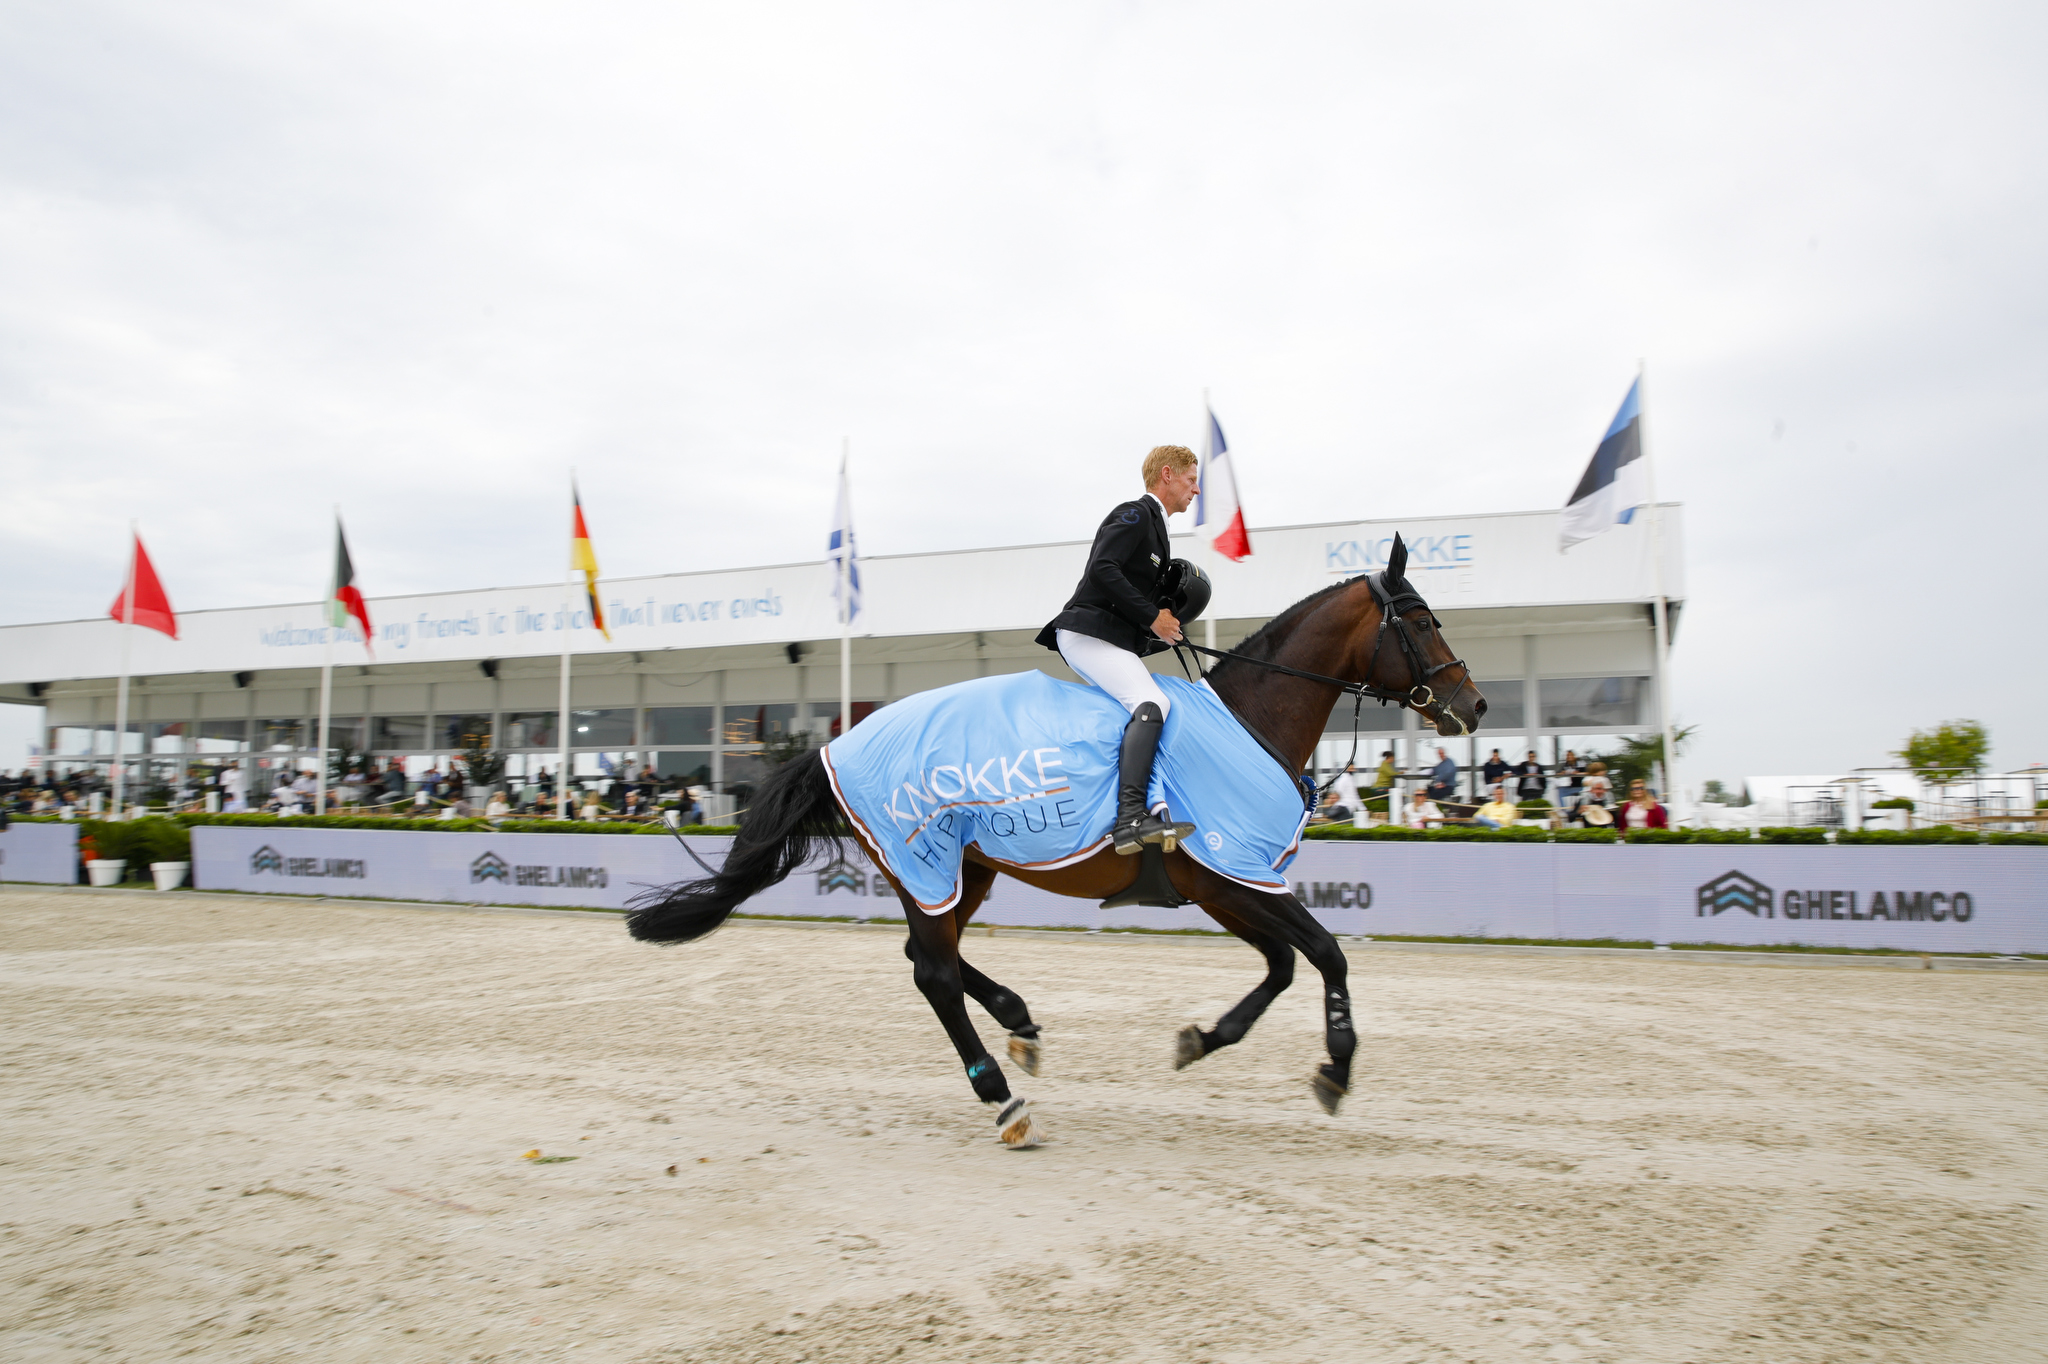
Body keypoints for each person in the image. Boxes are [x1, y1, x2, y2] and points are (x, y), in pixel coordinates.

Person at [1033, 443, 1201, 855]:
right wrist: (1151, 617)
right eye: (1191, 480)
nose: (1196, 491)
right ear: (1167, 474)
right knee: (1151, 700)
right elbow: (1102, 569)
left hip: (1107, 635)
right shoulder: (1135, 513)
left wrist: (1160, 627)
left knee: (1154, 701)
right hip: (1085, 632)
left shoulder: (1157, 529)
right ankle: (1129, 819)